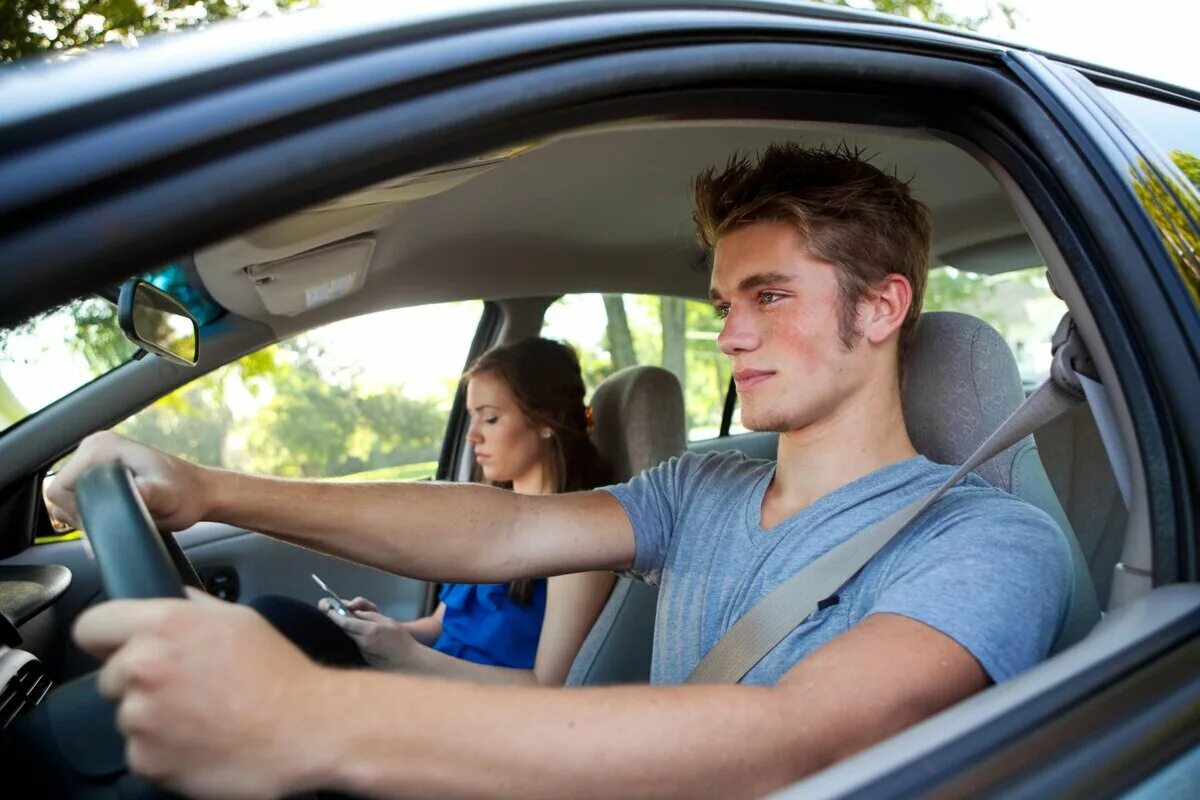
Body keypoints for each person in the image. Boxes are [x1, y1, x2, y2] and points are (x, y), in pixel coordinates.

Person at [49, 143, 1073, 799]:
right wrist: (211, 486)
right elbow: (498, 532)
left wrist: (307, 714)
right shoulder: (700, 485)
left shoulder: (985, 538)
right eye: (724, 304)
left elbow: (796, 739)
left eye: (770, 296)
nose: (732, 335)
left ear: (883, 307)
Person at [308, 336, 615, 683]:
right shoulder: (482, 513)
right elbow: (441, 625)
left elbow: (547, 687)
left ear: (547, 420)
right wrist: (383, 632)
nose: (472, 436)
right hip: (427, 683)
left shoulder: (581, 537)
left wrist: (407, 656)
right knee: (294, 624)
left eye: (491, 418)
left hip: (475, 713)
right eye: (472, 418)